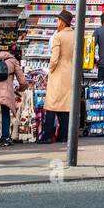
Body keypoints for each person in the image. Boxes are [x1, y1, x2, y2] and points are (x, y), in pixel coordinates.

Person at [41, 11, 75, 143]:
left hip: (58, 73)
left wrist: (49, 70)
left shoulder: (59, 36)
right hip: (70, 72)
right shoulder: (75, 35)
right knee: (66, 105)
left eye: (57, 20)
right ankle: (64, 135)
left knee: (51, 104)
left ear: (62, 21)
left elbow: (54, 59)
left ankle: (48, 135)